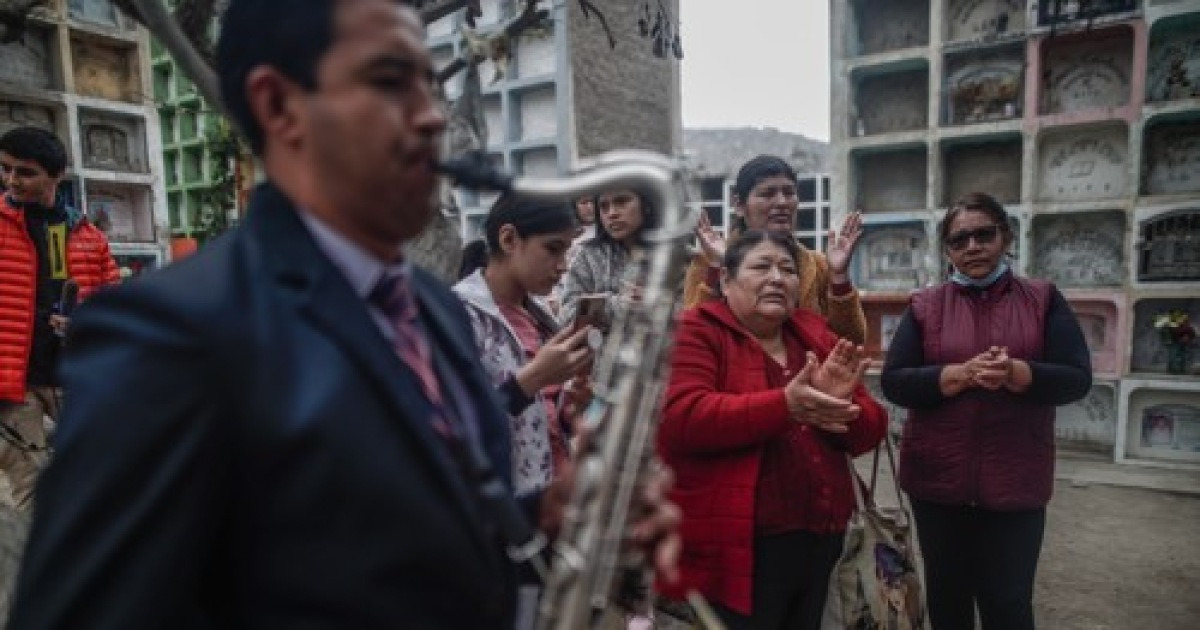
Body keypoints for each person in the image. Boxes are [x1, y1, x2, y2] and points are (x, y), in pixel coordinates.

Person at [8, 2, 679, 628]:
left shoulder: (434, 310)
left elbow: (454, 524)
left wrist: (550, 518)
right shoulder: (165, 336)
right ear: (280, 105)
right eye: (392, 81)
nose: (432, 118)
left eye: (429, 85)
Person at [880, 192, 1092, 630]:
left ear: (1006, 236)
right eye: (959, 240)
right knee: (949, 599)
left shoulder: (1042, 299)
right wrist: (957, 375)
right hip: (938, 481)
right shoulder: (925, 307)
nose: (972, 246)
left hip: (1016, 478)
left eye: (983, 234)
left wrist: (1017, 372)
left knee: (1009, 602)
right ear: (947, 251)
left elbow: (1076, 377)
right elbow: (895, 381)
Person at [657, 230, 888, 630]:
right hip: (739, 545)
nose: (778, 279)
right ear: (726, 281)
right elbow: (682, 417)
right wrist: (786, 405)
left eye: (787, 269)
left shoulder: (814, 333)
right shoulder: (696, 330)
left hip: (824, 538)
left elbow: (872, 430)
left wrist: (841, 408)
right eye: (761, 266)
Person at [0, 126, 119, 512]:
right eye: (6, 169)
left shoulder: (89, 237)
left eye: (25, 172)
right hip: (15, 388)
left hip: (78, 377)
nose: (12, 180)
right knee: (32, 492)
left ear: (56, 176)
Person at [453, 195, 594, 497]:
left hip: (552, 505)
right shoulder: (457, 315)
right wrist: (533, 380)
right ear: (508, 239)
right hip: (500, 514)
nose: (563, 266)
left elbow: (545, 421)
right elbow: (452, 429)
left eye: (567, 251)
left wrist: (571, 406)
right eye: (553, 248)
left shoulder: (541, 317)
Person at [684, 155, 867, 344]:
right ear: (739, 206)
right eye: (767, 194)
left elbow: (851, 342)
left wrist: (839, 278)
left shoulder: (819, 265)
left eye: (789, 193)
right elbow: (693, 337)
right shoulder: (709, 263)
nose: (782, 202)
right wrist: (718, 265)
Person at [560, 188, 658, 328]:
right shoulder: (588, 256)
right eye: (604, 206)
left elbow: (692, 309)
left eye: (622, 201)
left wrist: (657, 304)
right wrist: (616, 306)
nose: (612, 213)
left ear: (646, 204)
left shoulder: (673, 256)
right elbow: (566, 316)